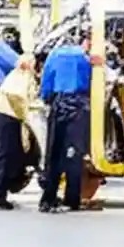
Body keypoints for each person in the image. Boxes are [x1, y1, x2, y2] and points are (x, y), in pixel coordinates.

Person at [38, 30, 99, 213]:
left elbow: (46, 86)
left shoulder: (54, 55)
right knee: (74, 154)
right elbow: (94, 83)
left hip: (59, 105)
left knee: (54, 153)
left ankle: (48, 198)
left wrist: (47, 98)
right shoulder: (85, 59)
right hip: (80, 107)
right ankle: (72, 199)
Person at [0, 49, 34, 210]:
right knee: (6, 154)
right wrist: (26, 118)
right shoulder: (20, 75)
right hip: (7, 114)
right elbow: (17, 97)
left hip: (4, 112)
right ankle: (0, 195)